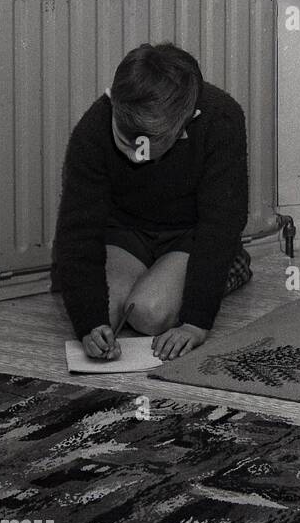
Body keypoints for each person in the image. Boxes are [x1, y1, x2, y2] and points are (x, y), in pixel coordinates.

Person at [52, 42, 251, 362]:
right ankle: (164, 277)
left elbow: (221, 224)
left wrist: (196, 323)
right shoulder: (93, 128)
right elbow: (78, 231)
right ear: (112, 100)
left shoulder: (221, 119)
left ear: (187, 122)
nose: (132, 150)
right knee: (109, 310)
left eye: (147, 141)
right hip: (126, 230)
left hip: (190, 233)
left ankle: (231, 265)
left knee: (148, 314)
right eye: (124, 133)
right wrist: (90, 325)